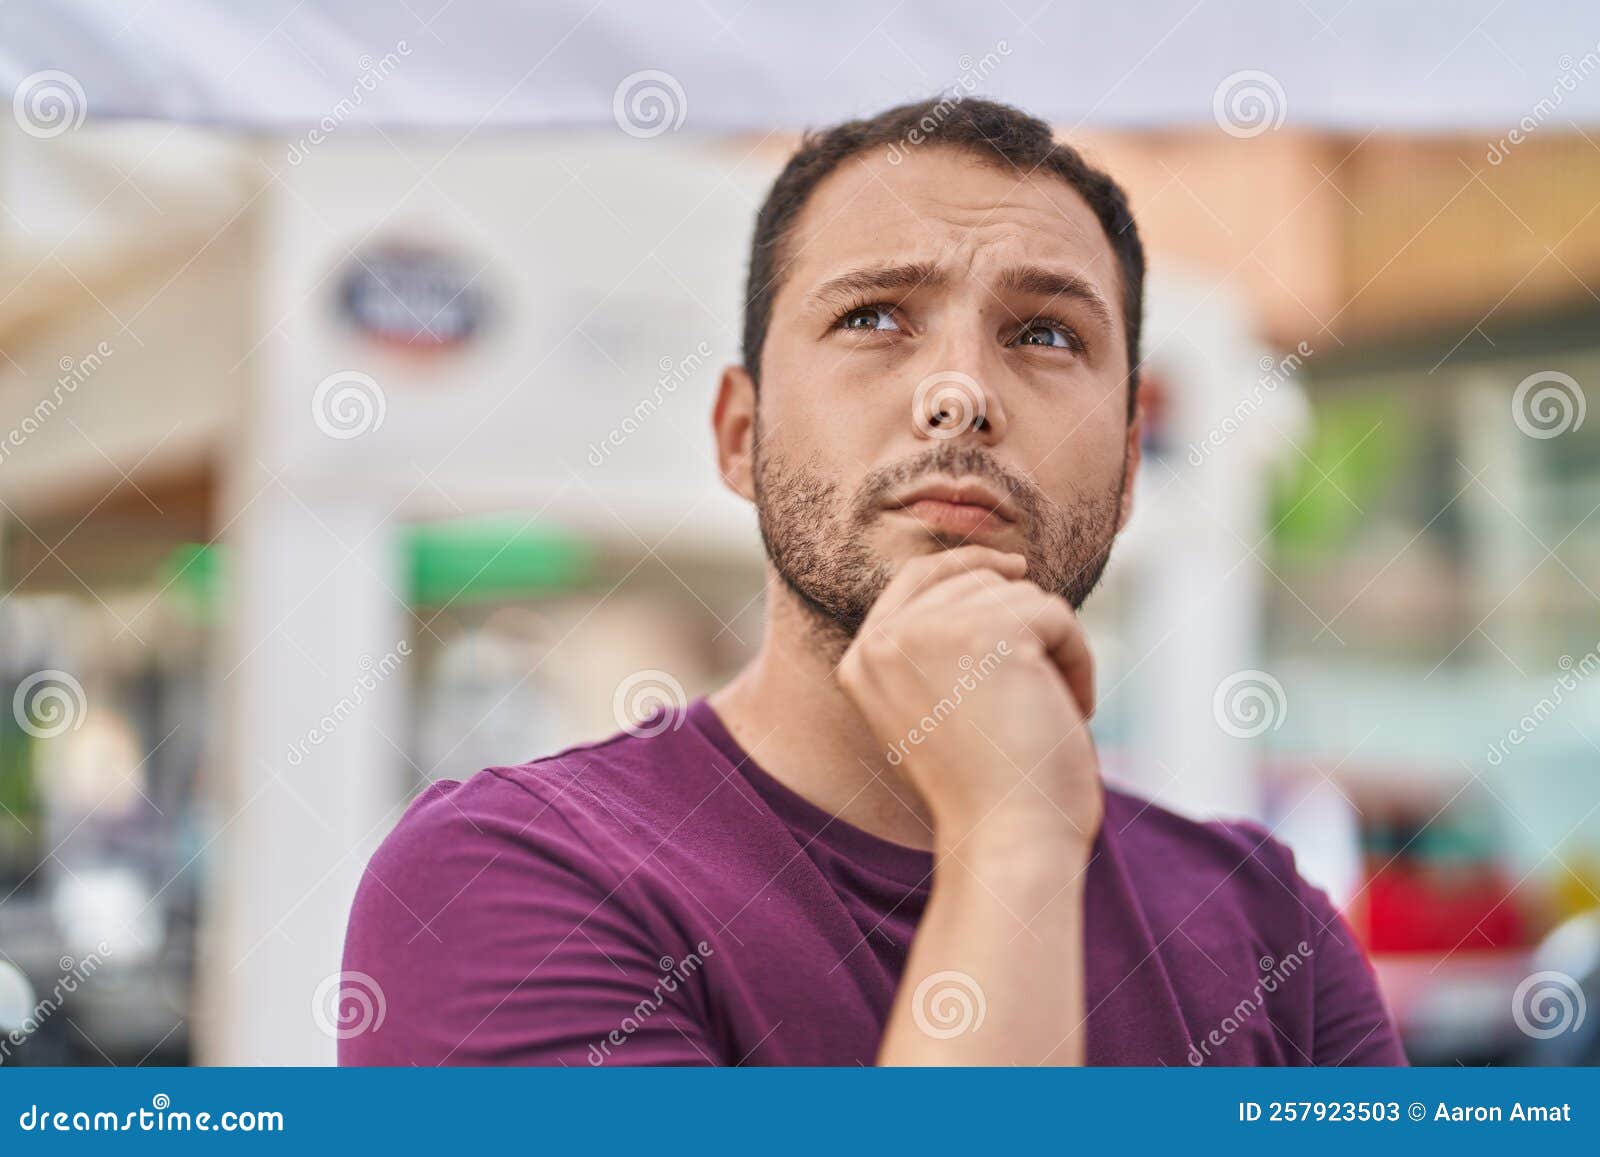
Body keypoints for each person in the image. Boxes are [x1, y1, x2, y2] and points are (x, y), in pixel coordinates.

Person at [339, 96, 1405, 1067]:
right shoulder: (501, 879)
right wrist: (1012, 836)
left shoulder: (1272, 932)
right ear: (741, 437)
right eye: (874, 317)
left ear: (1129, 471)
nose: (959, 394)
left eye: (1043, 333)